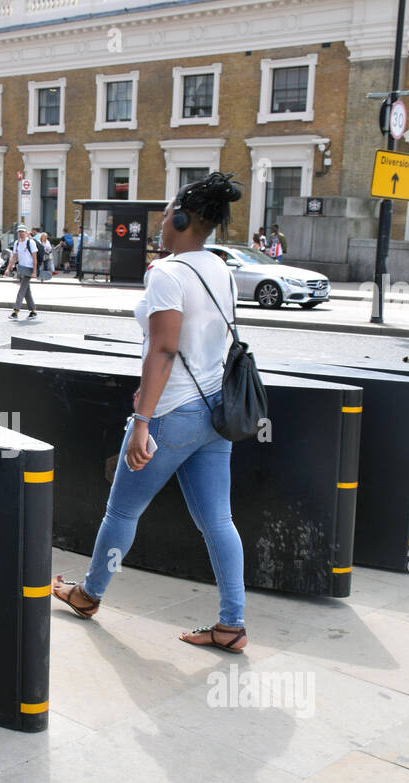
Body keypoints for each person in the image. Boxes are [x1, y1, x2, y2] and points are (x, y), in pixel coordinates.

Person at [51, 172, 249, 653]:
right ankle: (231, 624)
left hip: (169, 414)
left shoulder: (167, 273)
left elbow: (162, 350)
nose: (160, 222)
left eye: (165, 214)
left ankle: (88, 594)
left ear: (181, 218)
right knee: (217, 520)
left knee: (121, 510)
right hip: (214, 413)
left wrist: (142, 422)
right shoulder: (220, 268)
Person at [3, 225, 39, 320]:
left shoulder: (30, 242)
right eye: (19, 231)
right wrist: (8, 268)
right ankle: (33, 311)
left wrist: (34, 272)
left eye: (22, 231)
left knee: (22, 290)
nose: (21, 233)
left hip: (29, 269)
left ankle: (15, 312)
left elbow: (35, 258)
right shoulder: (17, 243)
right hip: (21, 269)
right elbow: (14, 257)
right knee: (27, 291)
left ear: (26, 232)